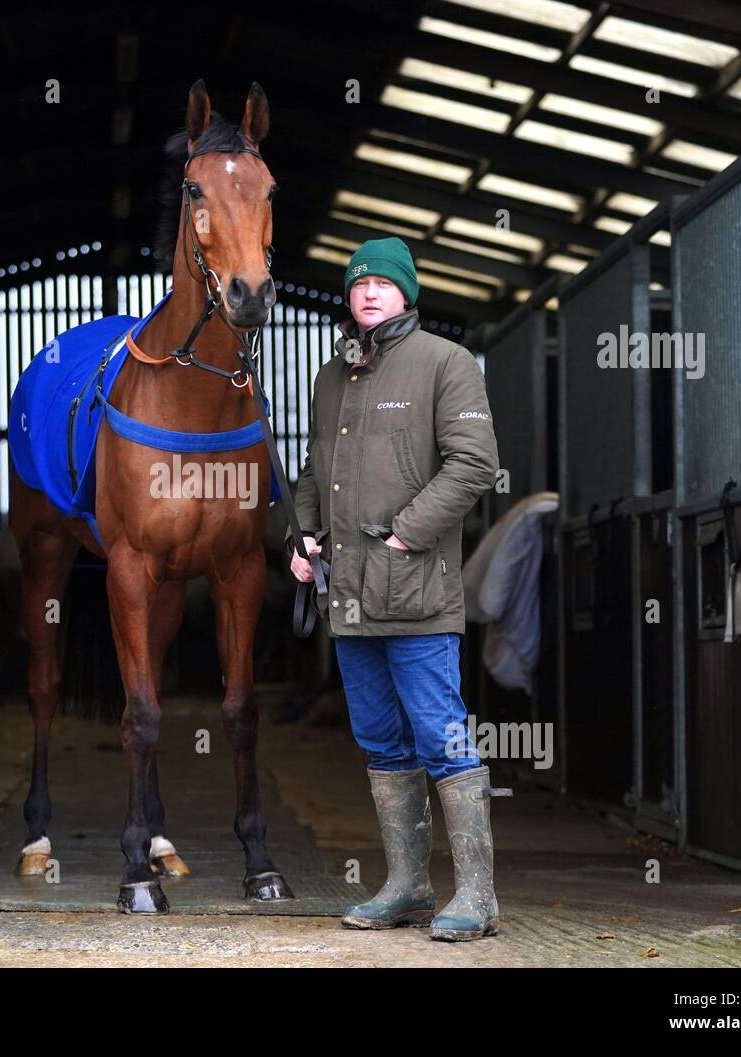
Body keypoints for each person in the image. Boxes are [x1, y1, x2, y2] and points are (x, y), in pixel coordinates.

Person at [287, 236, 504, 941]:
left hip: (416, 591)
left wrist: (408, 532)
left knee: (442, 735)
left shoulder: (446, 363)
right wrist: (303, 536)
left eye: (383, 282)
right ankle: (409, 885)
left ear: (407, 292)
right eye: (358, 284)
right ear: (347, 298)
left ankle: (478, 894)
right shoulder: (331, 378)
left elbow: (474, 464)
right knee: (381, 739)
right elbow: (316, 472)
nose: (370, 292)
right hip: (349, 597)